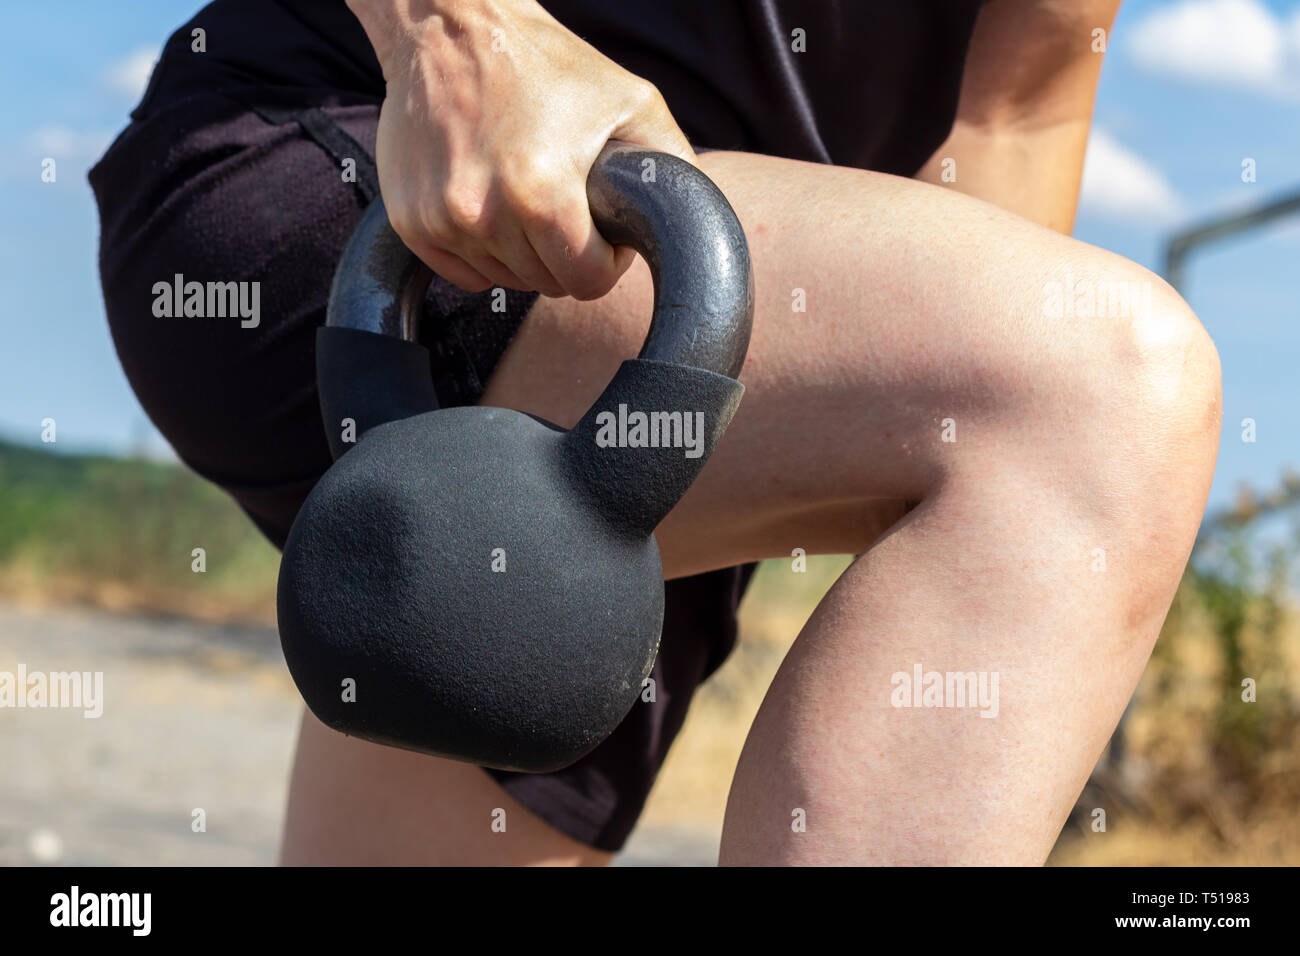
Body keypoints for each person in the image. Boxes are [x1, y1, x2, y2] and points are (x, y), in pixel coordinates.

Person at [90, 0, 1221, 865]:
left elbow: (1018, 101)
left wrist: (891, 448)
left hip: (684, 363)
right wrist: (456, 30)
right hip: (391, 178)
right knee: (1108, 387)